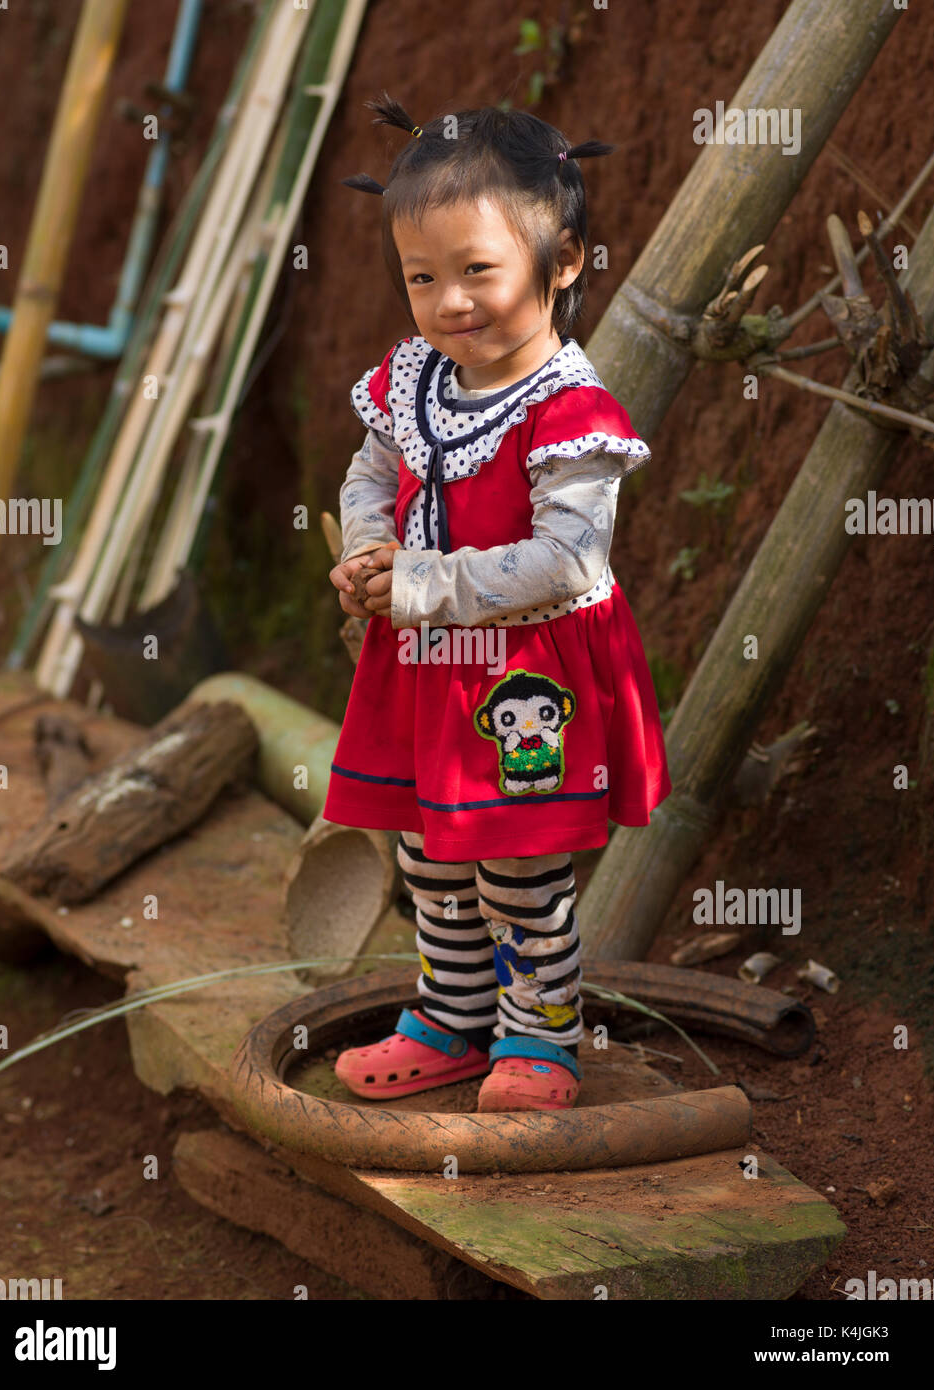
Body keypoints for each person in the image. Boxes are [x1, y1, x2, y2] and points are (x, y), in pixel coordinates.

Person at [322, 93, 671, 1113]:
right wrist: (368, 545)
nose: (447, 302)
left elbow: (566, 560)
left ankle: (540, 1036)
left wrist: (425, 583)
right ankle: (449, 1014)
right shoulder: (413, 381)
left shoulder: (570, 411)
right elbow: (368, 474)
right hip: (425, 661)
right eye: (420, 277)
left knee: (515, 866)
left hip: (527, 675)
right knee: (429, 849)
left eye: (477, 270)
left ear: (561, 262)